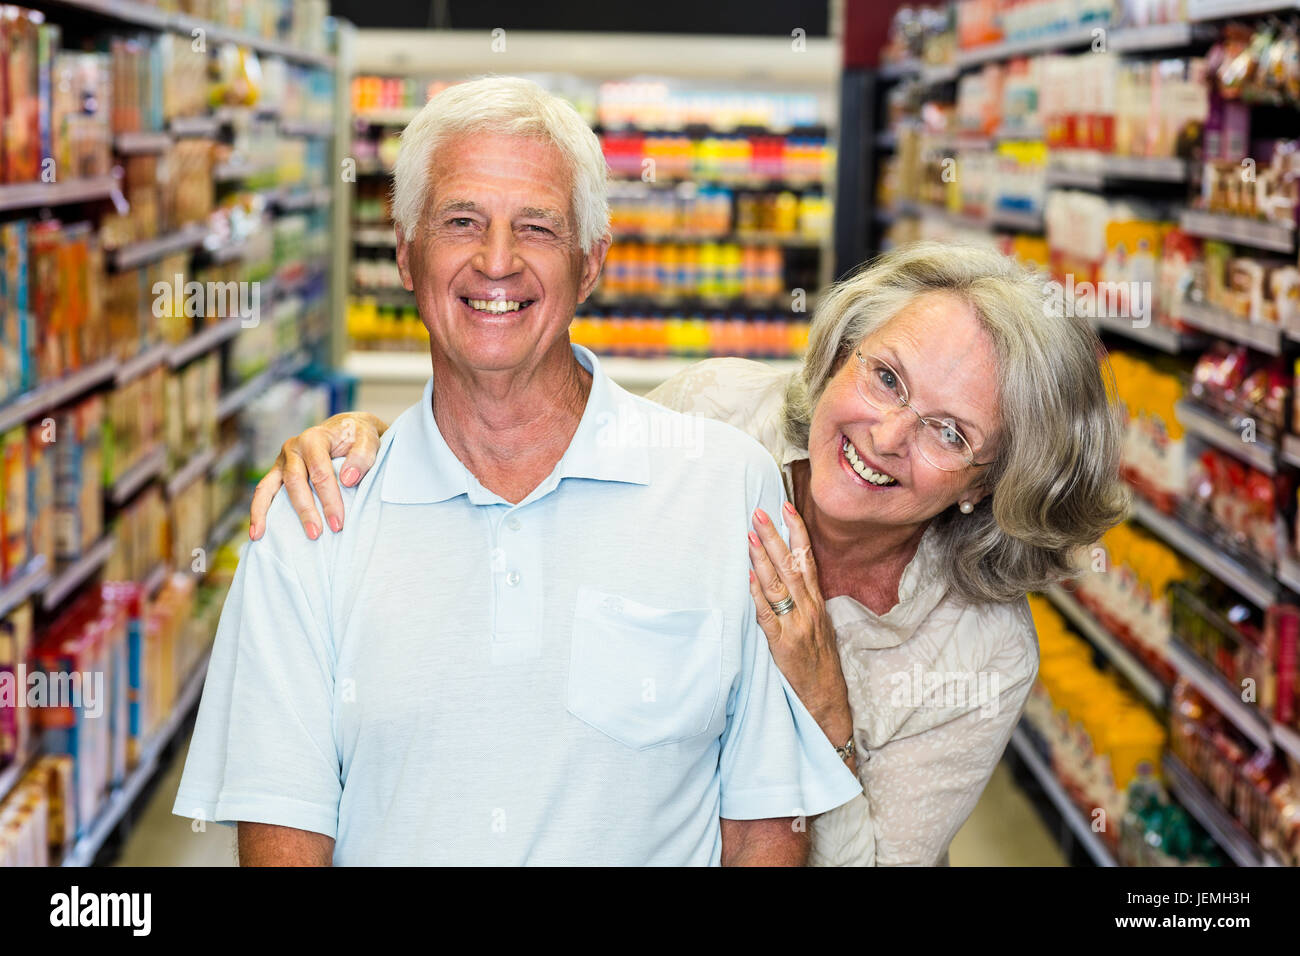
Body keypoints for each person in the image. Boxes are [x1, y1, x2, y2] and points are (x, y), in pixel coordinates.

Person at [172, 76, 863, 866]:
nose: (496, 261)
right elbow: (282, 838)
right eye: (461, 220)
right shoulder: (309, 523)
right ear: (405, 253)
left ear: (590, 263)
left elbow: (765, 825)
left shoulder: (727, 489)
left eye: (536, 227)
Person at [258, 239, 1130, 866]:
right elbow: (527, 487)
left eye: (948, 430)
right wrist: (380, 449)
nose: (887, 434)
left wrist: (824, 711)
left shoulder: (979, 651)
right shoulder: (712, 412)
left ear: (990, 484)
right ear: (840, 356)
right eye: (886, 377)